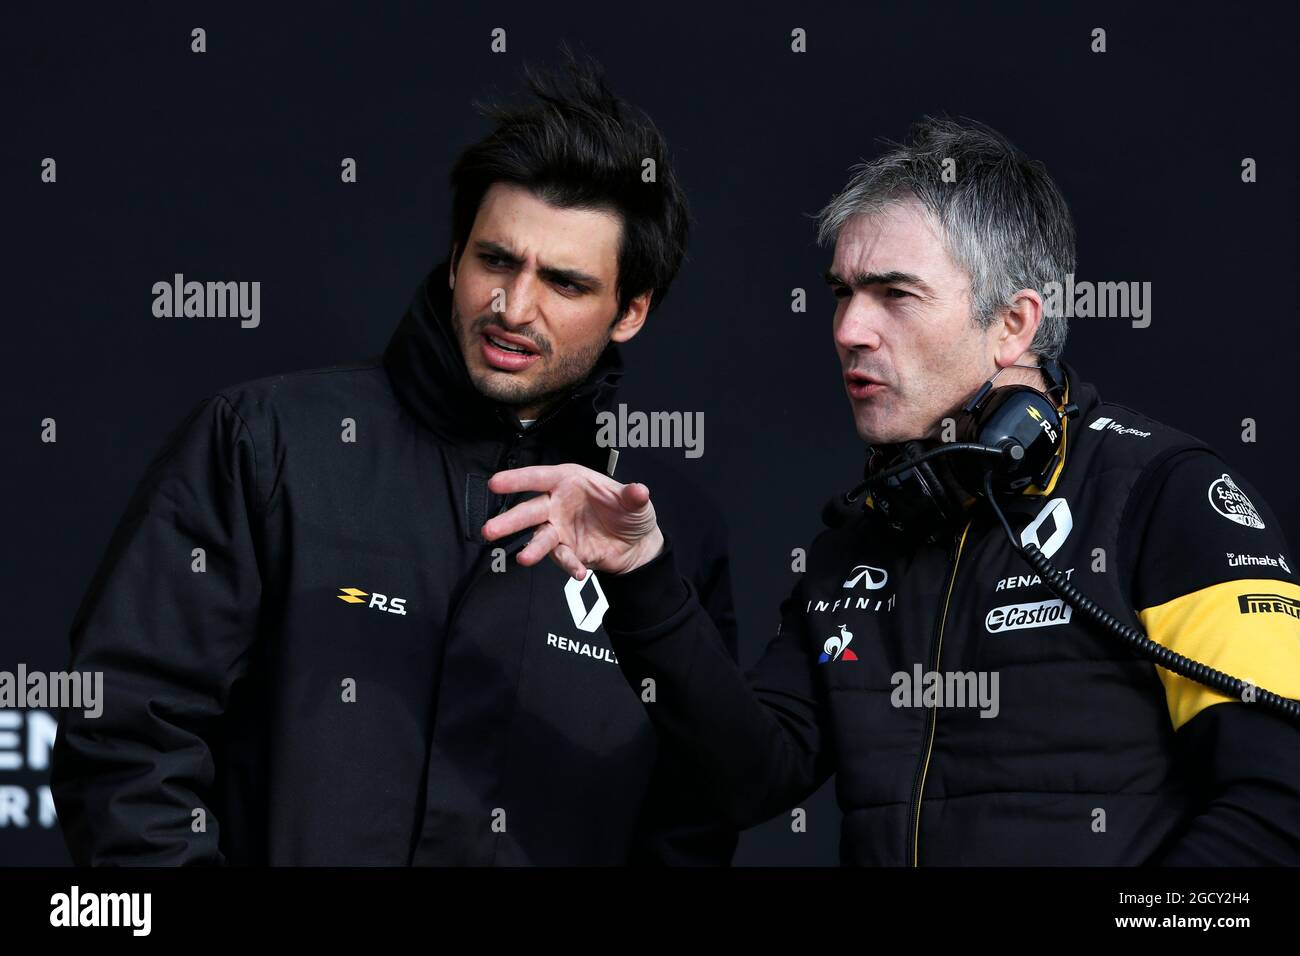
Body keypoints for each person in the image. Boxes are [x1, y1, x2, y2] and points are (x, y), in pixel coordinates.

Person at [484, 117, 1300, 865]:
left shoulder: (1167, 494)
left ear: (1013, 324)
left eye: (894, 294)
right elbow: (751, 778)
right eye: (842, 292)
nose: (847, 330)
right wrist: (642, 576)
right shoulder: (864, 537)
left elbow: (1278, 810)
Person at [51, 57, 738, 866]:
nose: (514, 308)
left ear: (630, 310)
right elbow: (128, 736)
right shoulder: (265, 443)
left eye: (563, 282)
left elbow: (692, 820)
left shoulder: (665, 539)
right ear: (454, 258)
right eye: (495, 261)